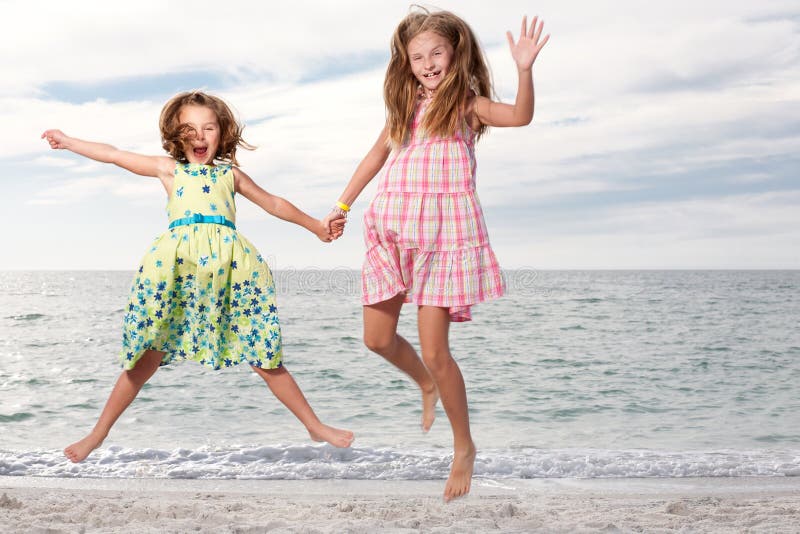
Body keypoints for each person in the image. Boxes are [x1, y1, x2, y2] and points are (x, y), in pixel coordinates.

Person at [41, 90, 354, 463]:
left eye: (209, 128)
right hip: (178, 274)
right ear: (176, 134)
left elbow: (273, 203)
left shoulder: (230, 175)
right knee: (146, 358)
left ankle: (314, 425)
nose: (200, 136)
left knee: (263, 354)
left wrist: (316, 226)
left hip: (229, 275)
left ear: (222, 132)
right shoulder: (169, 170)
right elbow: (114, 154)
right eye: (189, 129)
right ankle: (98, 433)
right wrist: (69, 141)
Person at [323, 8, 549, 501]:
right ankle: (425, 385)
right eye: (417, 57)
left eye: (436, 53)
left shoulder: (468, 105)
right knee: (377, 339)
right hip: (391, 231)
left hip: (443, 240)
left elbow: (521, 116)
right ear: (405, 63)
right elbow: (376, 156)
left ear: (455, 53)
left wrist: (524, 70)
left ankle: (463, 446)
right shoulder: (404, 107)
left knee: (435, 350)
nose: (427, 64)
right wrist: (342, 206)